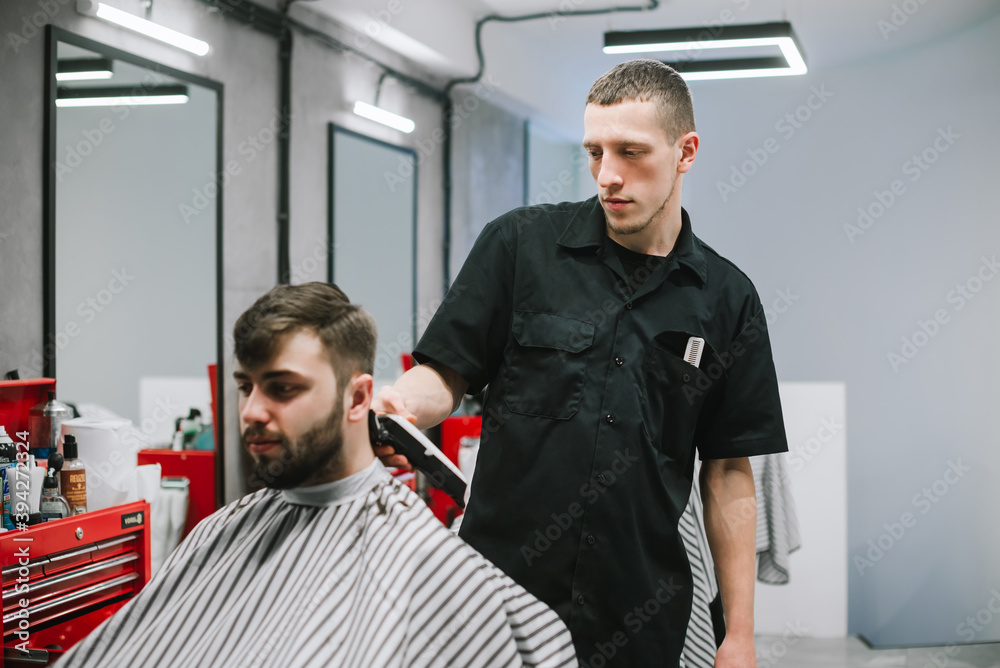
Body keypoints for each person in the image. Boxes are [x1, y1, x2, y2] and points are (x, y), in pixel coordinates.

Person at [373, 60, 788, 667]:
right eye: (595, 152)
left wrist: (740, 636)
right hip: (497, 602)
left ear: (686, 151)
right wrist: (404, 404)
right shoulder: (518, 247)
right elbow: (446, 373)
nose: (608, 176)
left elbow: (727, 472)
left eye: (631, 152)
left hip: (639, 615)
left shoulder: (728, 300)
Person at [57, 283, 578, 668]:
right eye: (246, 387)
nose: (252, 412)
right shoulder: (222, 530)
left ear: (357, 397)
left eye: (282, 389)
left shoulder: (426, 564)